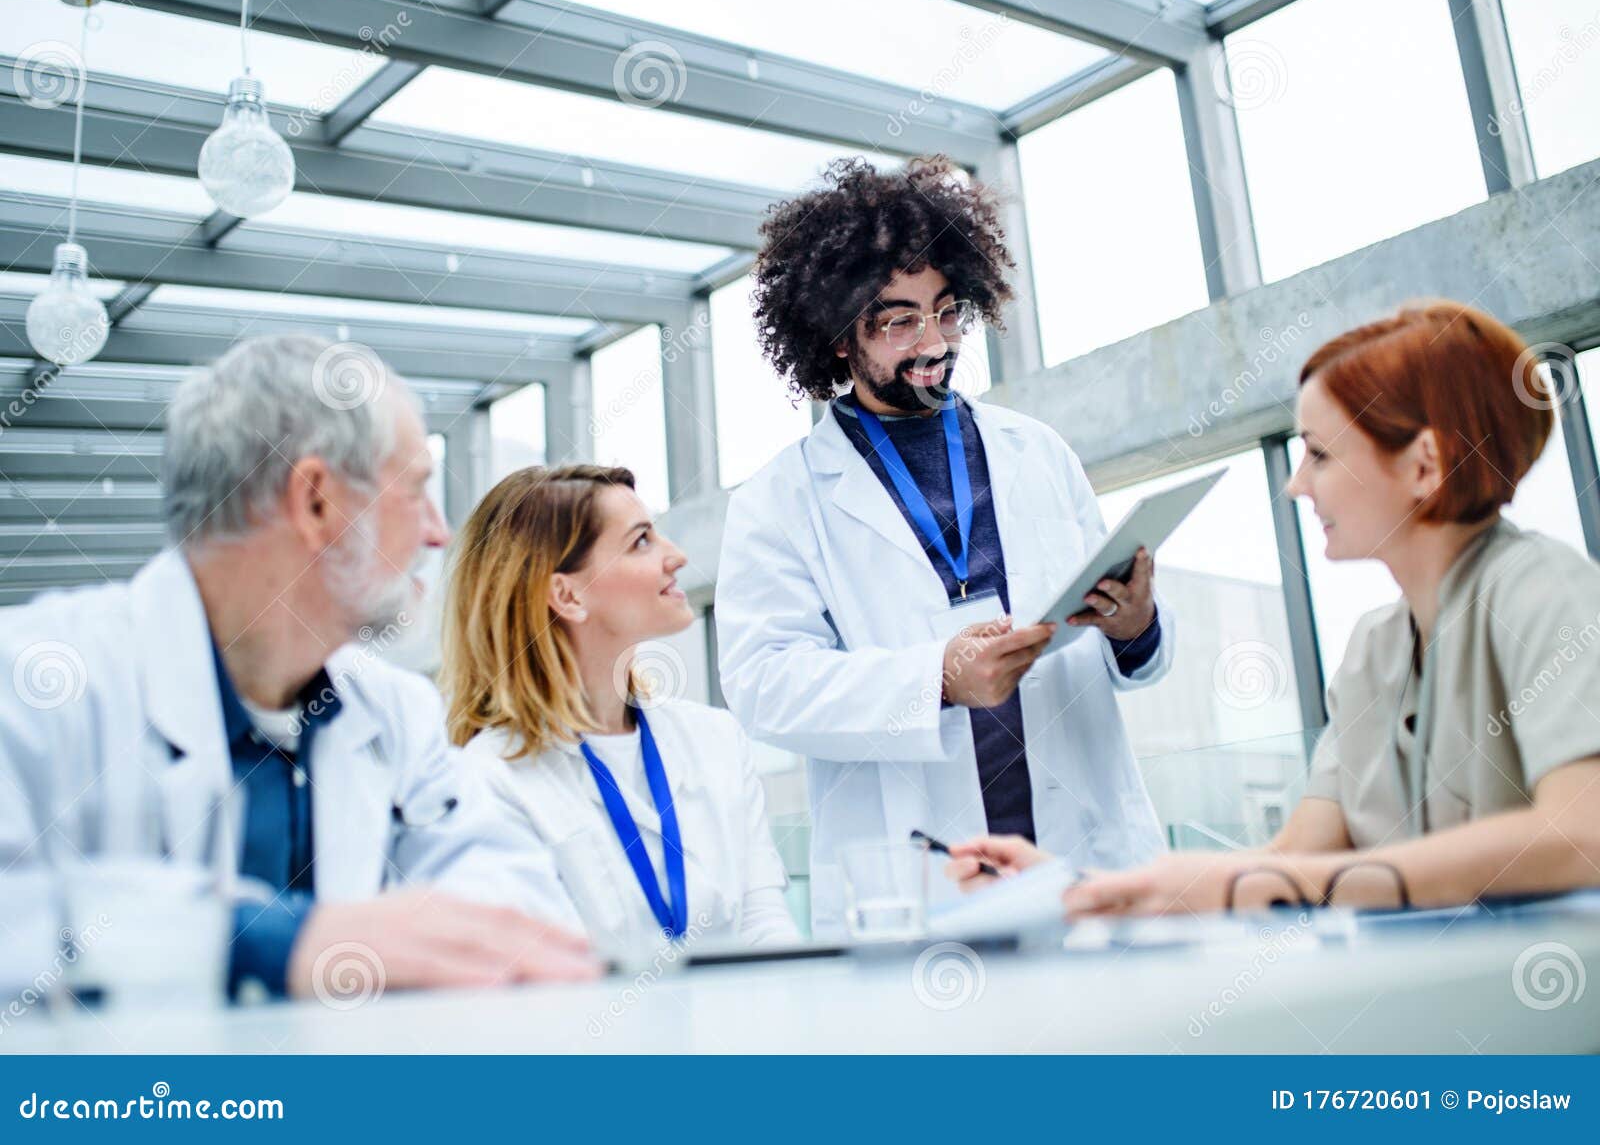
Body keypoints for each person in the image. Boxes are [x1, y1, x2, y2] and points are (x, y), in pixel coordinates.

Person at [946, 301, 1600, 914]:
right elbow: (1290, 858)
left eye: (1319, 454)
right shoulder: (1375, 648)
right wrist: (1077, 885)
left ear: (1424, 465)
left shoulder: (1544, 591)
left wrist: (1327, 882)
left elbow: (1583, 834)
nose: (1296, 482)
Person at [0, 334, 598, 999]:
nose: (438, 532)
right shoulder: (33, 681)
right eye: (417, 492)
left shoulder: (394, 712)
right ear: (316, 500)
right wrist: (264, 942)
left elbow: (514, 901)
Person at [714, 157, 1174, 936]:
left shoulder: (1038, 450)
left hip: (1083, 851)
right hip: (917, 872)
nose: (933, 343)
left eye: (948, 310)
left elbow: (1120, 644)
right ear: (834, 339)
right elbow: (763, 683)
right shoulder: (781, 499)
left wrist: (1135, 627)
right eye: (897, 321)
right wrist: (936, 679)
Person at [442, 465, 797, 956]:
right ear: (567, 595)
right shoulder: (490, 781)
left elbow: (766, 927)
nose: (676, 556)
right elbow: (540, 984)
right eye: (641, 542)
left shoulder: (715, 739)